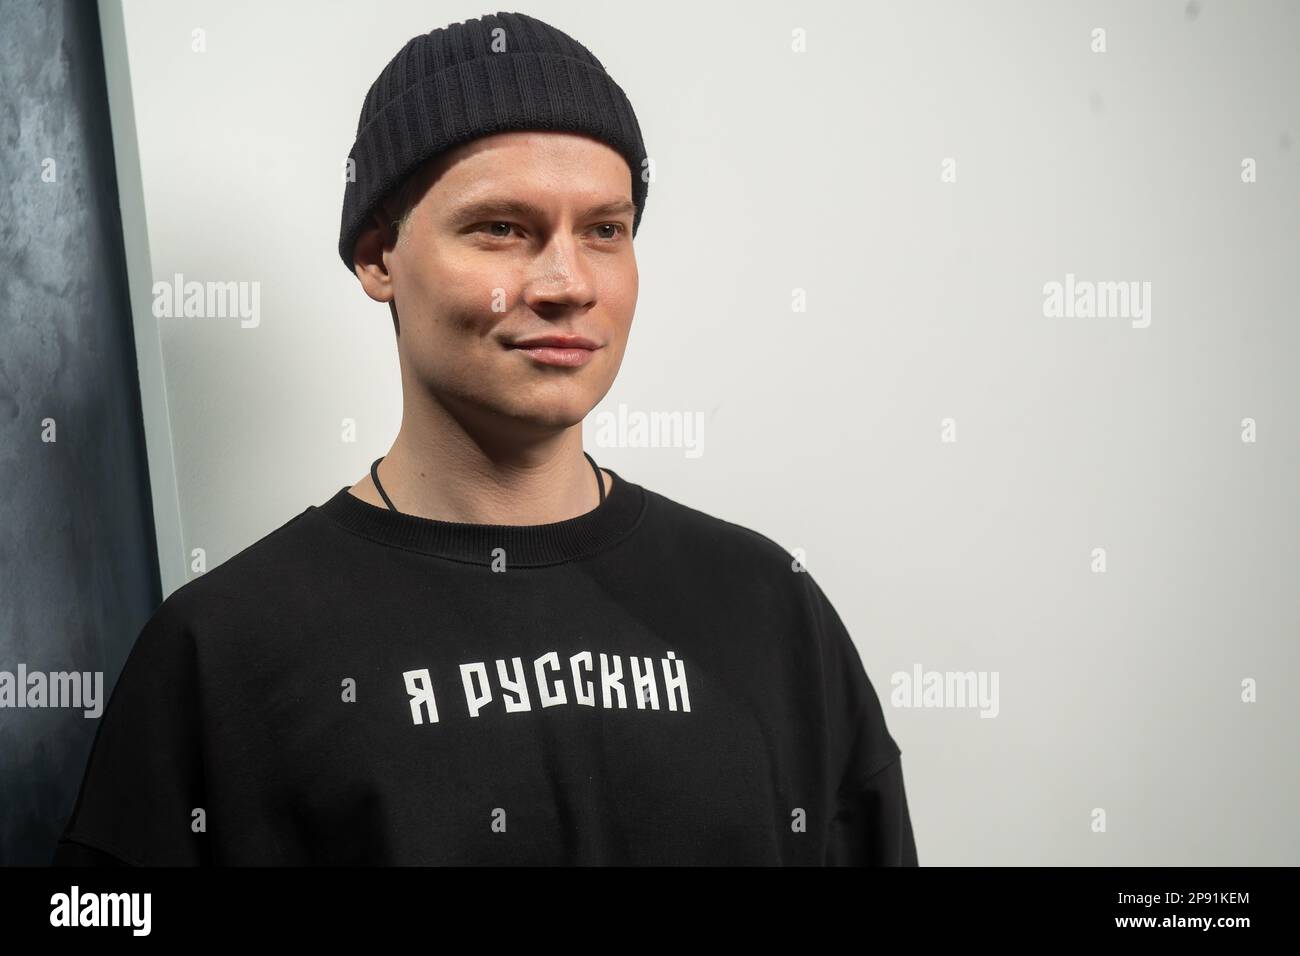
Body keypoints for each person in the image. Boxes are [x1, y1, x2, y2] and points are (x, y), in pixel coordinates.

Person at [53, 10, 917, 866]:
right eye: (502, 228)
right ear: (377, 256)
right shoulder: (224, 652)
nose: (566, 283)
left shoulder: (766, 606)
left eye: (604, 231)